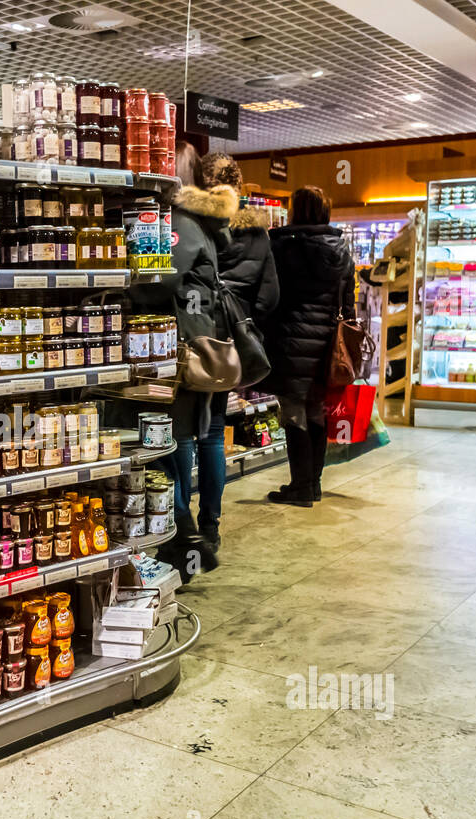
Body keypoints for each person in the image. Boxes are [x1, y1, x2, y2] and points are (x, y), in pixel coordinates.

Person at [130, 142, 237, 572]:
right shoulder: (199, 223)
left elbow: (156, 283)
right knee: (182, 444)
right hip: (189, 350)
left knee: (164, 448)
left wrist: (124, 284)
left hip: (175, 354)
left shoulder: (179, 224)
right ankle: (191, 532)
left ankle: (185, 537)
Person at [197, 153, 280, 549]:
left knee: (178, 432)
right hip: (229, 345)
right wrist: (242, 320)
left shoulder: (196, 222)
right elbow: (270, 296)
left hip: (193, 338)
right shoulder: (258, 233)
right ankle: (210, 525)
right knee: (213, 433)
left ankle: (174, 517)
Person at [259, 185, 354, 506]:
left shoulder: (283, 247)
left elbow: (270, 298)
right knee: (316, 412)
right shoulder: (341, 251)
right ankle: (312, 484)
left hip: (289, 342)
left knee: (293, 415)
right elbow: (349, 306)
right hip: (327, 345)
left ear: (295, 212)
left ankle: (300, 487)